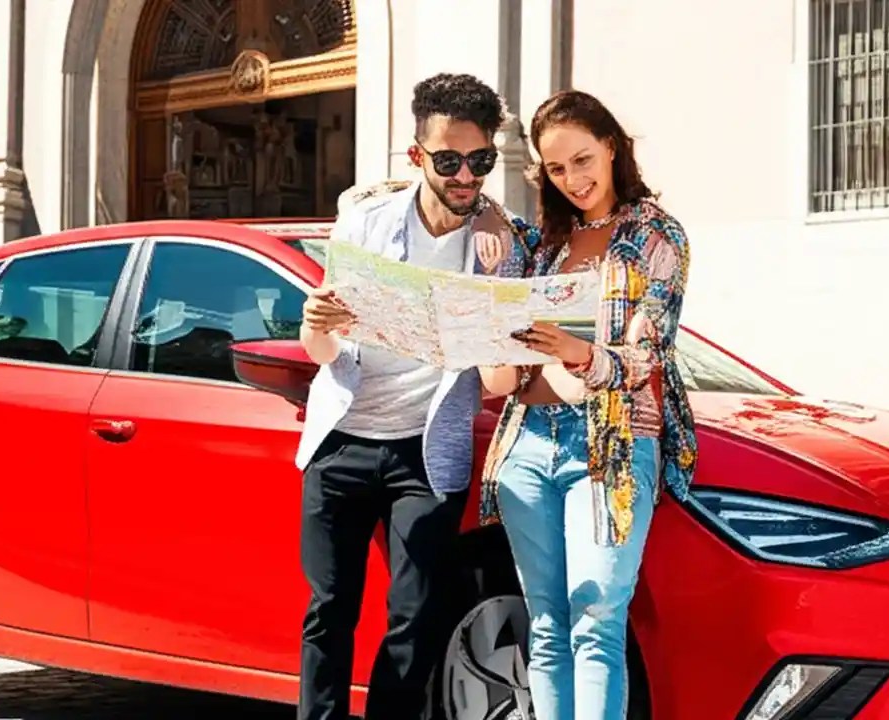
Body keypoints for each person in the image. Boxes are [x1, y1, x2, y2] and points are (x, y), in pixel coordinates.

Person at [295, 72, 528, 720]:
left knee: (417, 616)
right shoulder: (364, 223)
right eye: (448, 160)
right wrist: (315, 330)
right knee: (328, 612)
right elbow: (328, 354)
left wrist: (489, 296)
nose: (465, 176)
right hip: (343, 440)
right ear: (417, 157)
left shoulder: (500, 247)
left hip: (425, 457)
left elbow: (498, 381)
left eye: (479, 161)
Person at [477, 90, 698, 719]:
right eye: (555, 169)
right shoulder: (547, 242)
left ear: (611, 146)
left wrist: (577, 352)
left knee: (597, 617)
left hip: (612, 445)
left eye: (582, 159)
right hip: (526, 444)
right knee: (546, 627)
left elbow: (648, 353)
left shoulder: (655, 235)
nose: (572, 179)